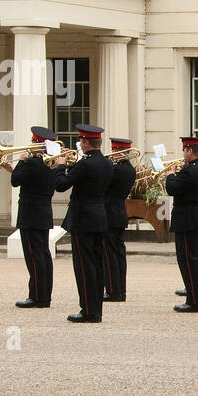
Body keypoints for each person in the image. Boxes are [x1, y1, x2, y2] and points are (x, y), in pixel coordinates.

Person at [52, 124, 112, 323]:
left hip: (82, 218)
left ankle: (87, 310)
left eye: (81, 141)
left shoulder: (85, 164)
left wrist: (60, 165)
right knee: (97, 264)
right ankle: (96, 309)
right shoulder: (106, 163)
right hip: (99, 215)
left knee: (84, 266)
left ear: (86, 142)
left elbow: (61, 185)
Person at [3, 126, 59, 309]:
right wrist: (13, 169)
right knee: (43, 254)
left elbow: (16, 181)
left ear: (37, 144)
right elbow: (27, 179)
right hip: (43, 212)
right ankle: (44, 296)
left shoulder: (33, 163)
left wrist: (20, 162)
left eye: (32, 142)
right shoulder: (50, 163)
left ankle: (36, 297)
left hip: (30, 212)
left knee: (33, 256)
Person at [166, 136, 198, 313]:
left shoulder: (190, 170)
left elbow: (173, 189)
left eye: (184, 150)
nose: (183, 154)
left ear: (190, 151)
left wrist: (170, 176)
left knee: (188, 260)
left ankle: (194, 301)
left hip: (187, 219)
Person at [102, 137, 136, 302]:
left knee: (110, 255)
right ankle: (119, 289)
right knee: (118, 254)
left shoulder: (117, 170)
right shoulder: (128, 169)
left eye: (115, 150)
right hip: (118, 212)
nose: (113, 153)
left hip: (110, 213)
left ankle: (113, 291)